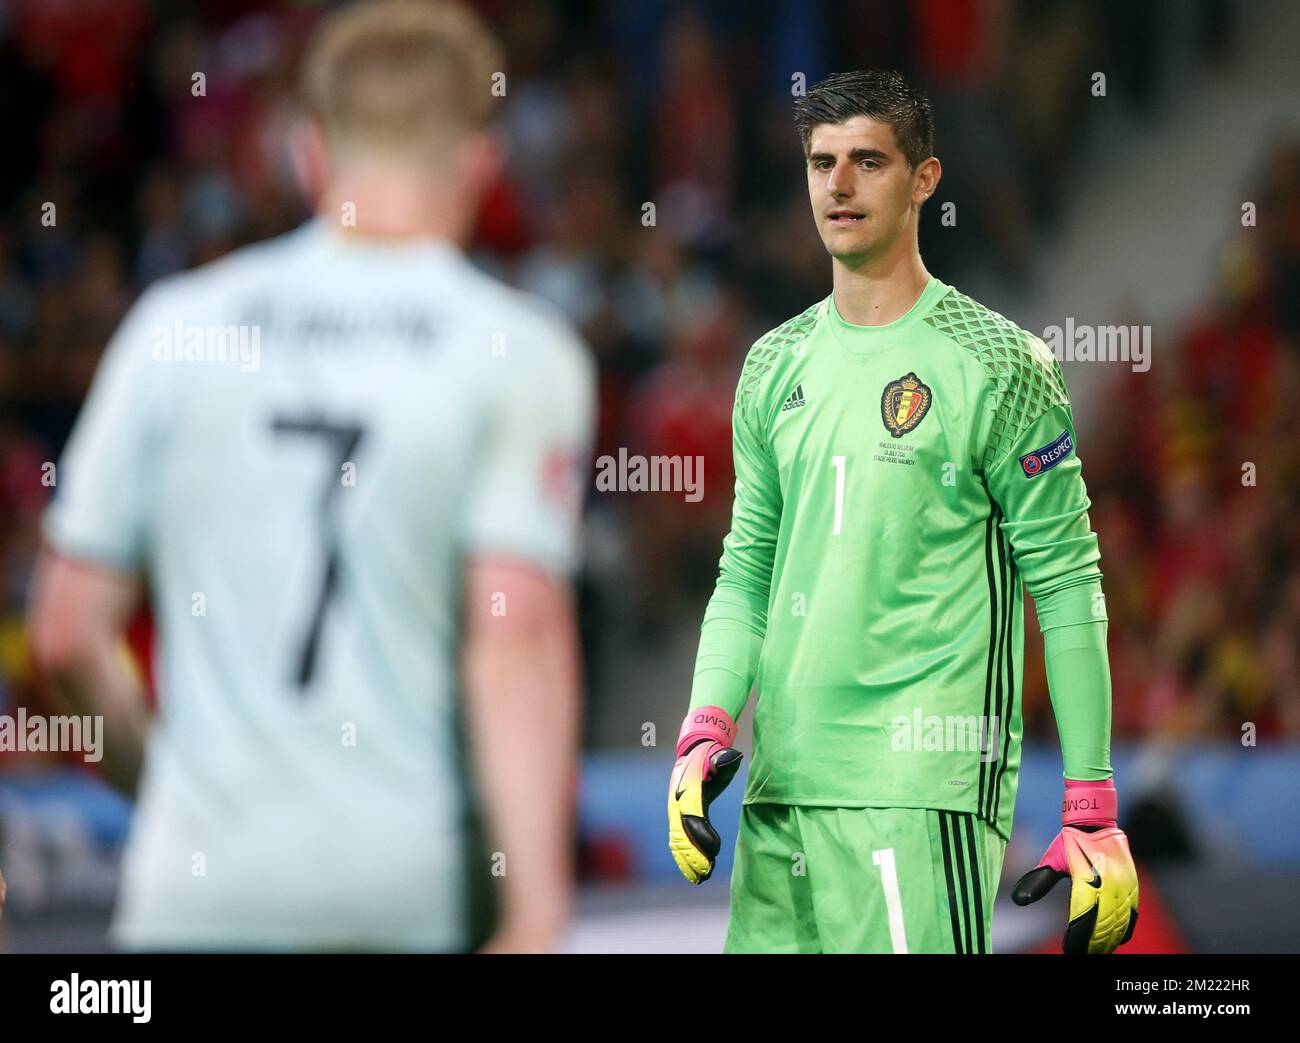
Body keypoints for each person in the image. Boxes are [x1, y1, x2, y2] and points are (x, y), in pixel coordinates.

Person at [27, 0, 595, 954]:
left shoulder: (175, 325)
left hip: (197, 889)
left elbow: (65, 629)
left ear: (306, 152)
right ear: (480, 164)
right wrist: (536, 913)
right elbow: (518, 632)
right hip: (399, 886)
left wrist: (163, 783)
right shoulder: (517, 349)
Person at [667, 70, 1138, 954]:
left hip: (919, 793)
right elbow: (748, 569)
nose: (838, 186)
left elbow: (1068, 583)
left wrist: (1092, 802)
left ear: (924, 179)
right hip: (782, 793)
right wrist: (705, 724)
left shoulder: (1001, 365)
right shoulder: (772, 364)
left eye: (867, 161)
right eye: (821, 163)